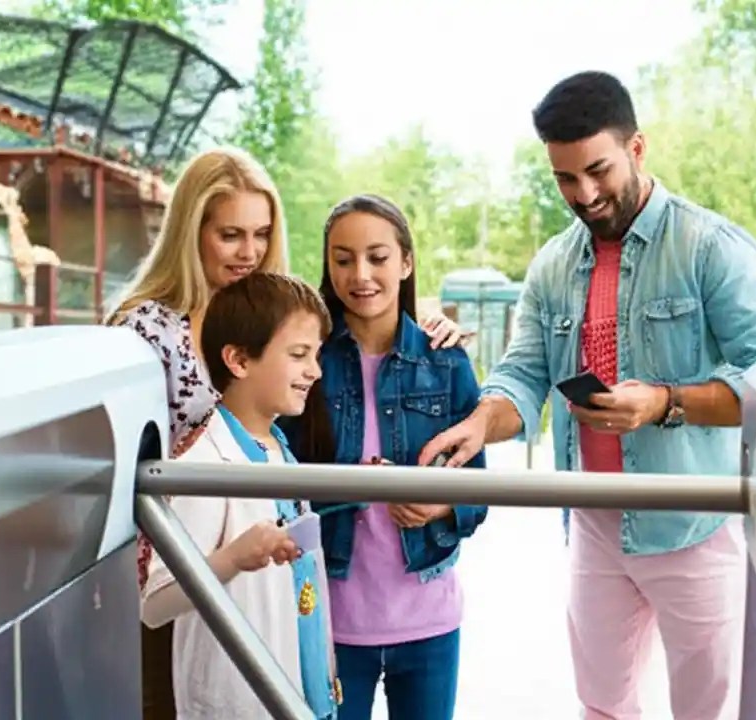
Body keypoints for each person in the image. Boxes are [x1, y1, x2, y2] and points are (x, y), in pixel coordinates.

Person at [419, 71, 756, 720]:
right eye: (566, 178)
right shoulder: (551, 266)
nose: (584, 194)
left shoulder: (711, 248)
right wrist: (481, 422)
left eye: (598, 170)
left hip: (694, 528)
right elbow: (522, 374)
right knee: (602, 707)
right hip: (594, 525)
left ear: (637, 148)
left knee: (711, 710)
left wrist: (664, 402)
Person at [105, 147, 467, 719]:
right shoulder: (148, 329)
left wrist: (420, 325)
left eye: (261, 233)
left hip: (272, 578)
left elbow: (341, 330)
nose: (249, 251)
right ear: (191, 233)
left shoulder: (277, 319)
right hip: (185, 554)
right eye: (230, 234)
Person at [283, 195, 488, 720]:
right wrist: (351, 485)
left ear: (406, 262)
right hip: (330, 617)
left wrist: (438, 505)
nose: (361, 274)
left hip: (429, 620)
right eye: (343, 258)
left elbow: (479, 492)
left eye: (377, 256)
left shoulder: (447, 363)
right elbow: (279, 481)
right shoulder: (307, 362)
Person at [139, 271, 339, 719]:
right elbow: (155, 604)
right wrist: (234, 557)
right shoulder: (206, 463)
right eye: (299, 355)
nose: (315, 371)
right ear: (239, 360)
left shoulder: (278, 449)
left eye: (316, 355)